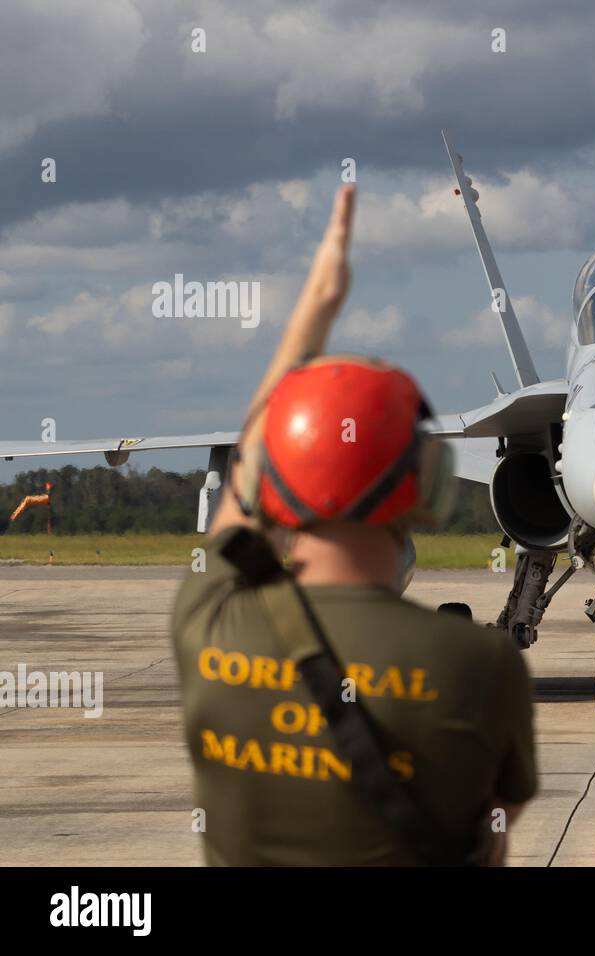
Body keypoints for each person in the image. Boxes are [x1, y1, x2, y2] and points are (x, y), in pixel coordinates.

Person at [171, 185, 537, 866]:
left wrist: (314, 311)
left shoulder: (209, 626)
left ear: (271, 479)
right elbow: (491, 833)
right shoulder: (484, 666)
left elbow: (244, 485)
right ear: (424, 480)